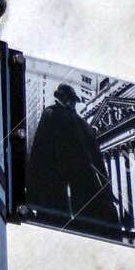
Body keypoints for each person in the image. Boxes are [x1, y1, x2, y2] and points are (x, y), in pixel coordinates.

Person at [26, 82, 123, 237]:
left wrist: (107, 188)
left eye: (73, 100)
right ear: (63, 99)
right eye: (70, 100)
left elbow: (39, 150)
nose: (72, 103)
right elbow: (39, 150)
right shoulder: (63, 118)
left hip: (72, 180)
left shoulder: (75, 121)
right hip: (62, 180)